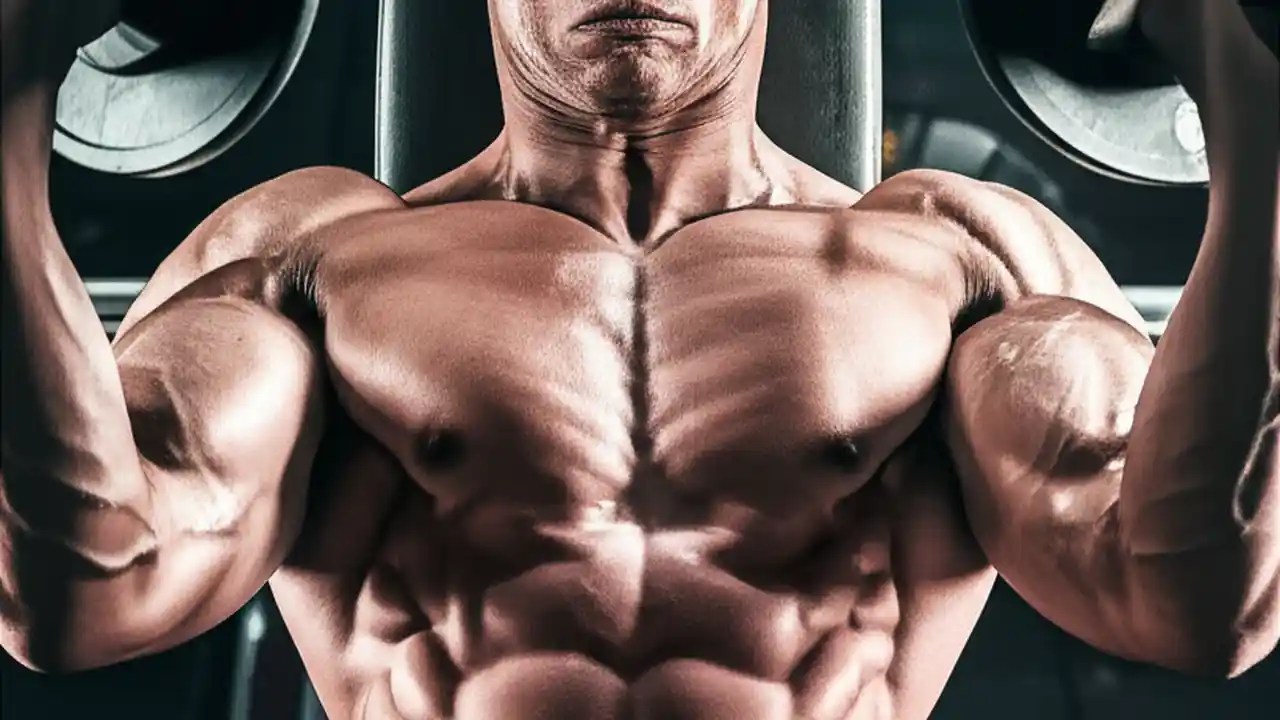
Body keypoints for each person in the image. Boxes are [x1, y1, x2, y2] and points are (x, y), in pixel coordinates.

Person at [2, 0, 1276, 718]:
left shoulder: (960, 259)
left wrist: (1240, 73)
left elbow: (1189, 597)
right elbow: (84, 584)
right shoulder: (307, 257)